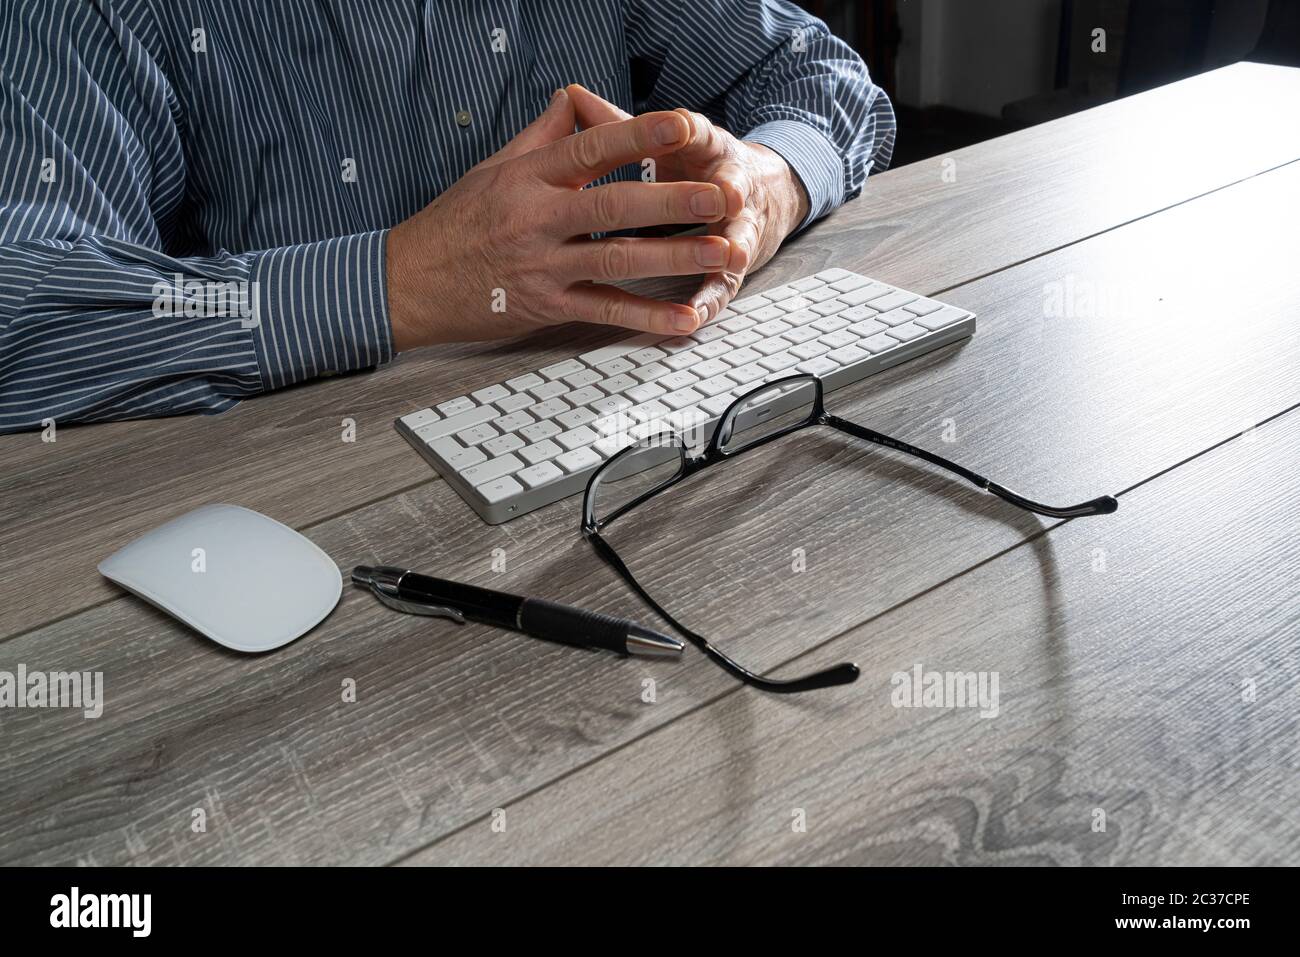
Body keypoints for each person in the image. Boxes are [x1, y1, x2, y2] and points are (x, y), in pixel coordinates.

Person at [0, 1, 894, 433]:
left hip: (622, 424)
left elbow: (824, 78)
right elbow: (22, 317)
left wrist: (760, 188)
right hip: (293, 516)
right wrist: (403, 281)